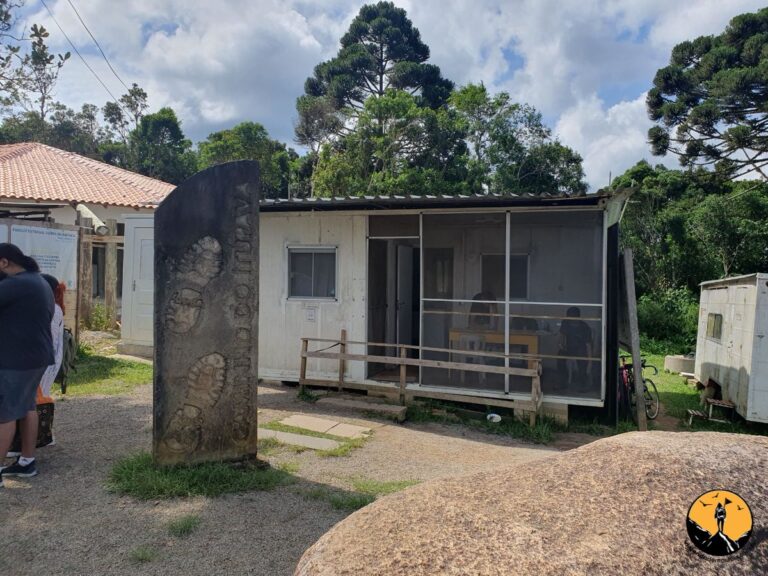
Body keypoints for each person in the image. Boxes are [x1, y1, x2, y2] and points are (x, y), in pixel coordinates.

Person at [0, 243, 54, 487]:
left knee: (6, 413)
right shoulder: (39, 281)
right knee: (27, 407)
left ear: (4, 262)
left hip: (16, 360)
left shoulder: (14, 284)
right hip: (37, 357)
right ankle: (27, 462)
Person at [7, 273, 64, 456]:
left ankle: (26, 443)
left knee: (32, 402)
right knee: (37, 401)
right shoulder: (53, 307)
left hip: (41, 360)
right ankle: (42, 437)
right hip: (44, 359)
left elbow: (48, 336)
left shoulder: (51, 308)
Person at [558, 306, 593, 389]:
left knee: (582, 360)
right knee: (560, 356)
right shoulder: (565, 323)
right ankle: (563, 381)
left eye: (572, 317)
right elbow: (561, 335)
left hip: (580, 349)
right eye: (569, 317)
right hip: (568, 348)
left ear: (578, 317)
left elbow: (588, 346)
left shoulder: (585, 328)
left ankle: (583, 383)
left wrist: (590, 362)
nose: (570, 320)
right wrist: (560, 344)